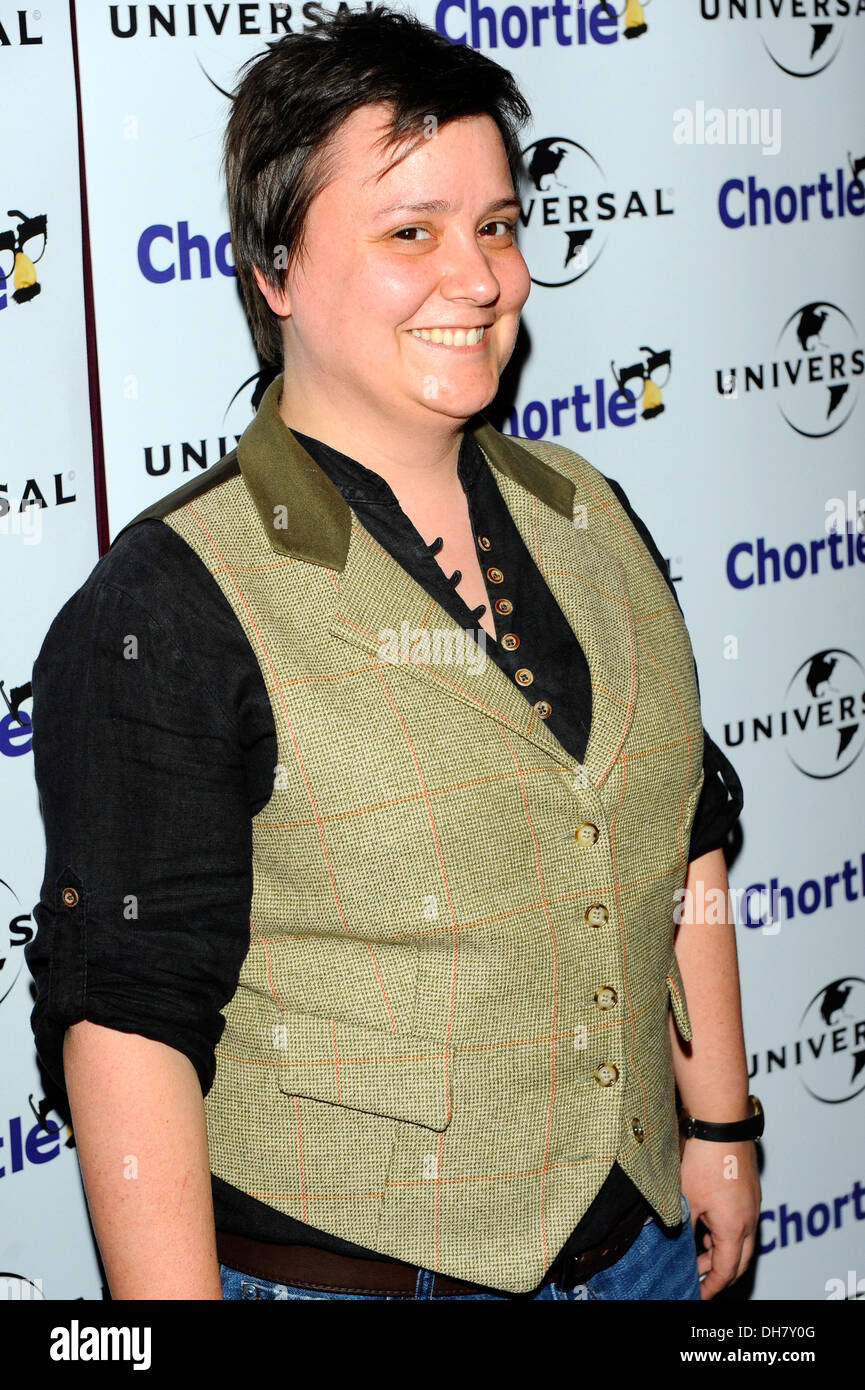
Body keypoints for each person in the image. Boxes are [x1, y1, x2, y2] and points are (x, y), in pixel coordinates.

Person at [26, 7, 761, 1301]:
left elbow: (681, 833)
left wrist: (717, 1124)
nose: (476, 278)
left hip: (639, 1251)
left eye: (494, 225)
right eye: (409, 232)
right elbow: (128, 1019)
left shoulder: (588, 513)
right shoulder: (172, 603)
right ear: (275, 270)